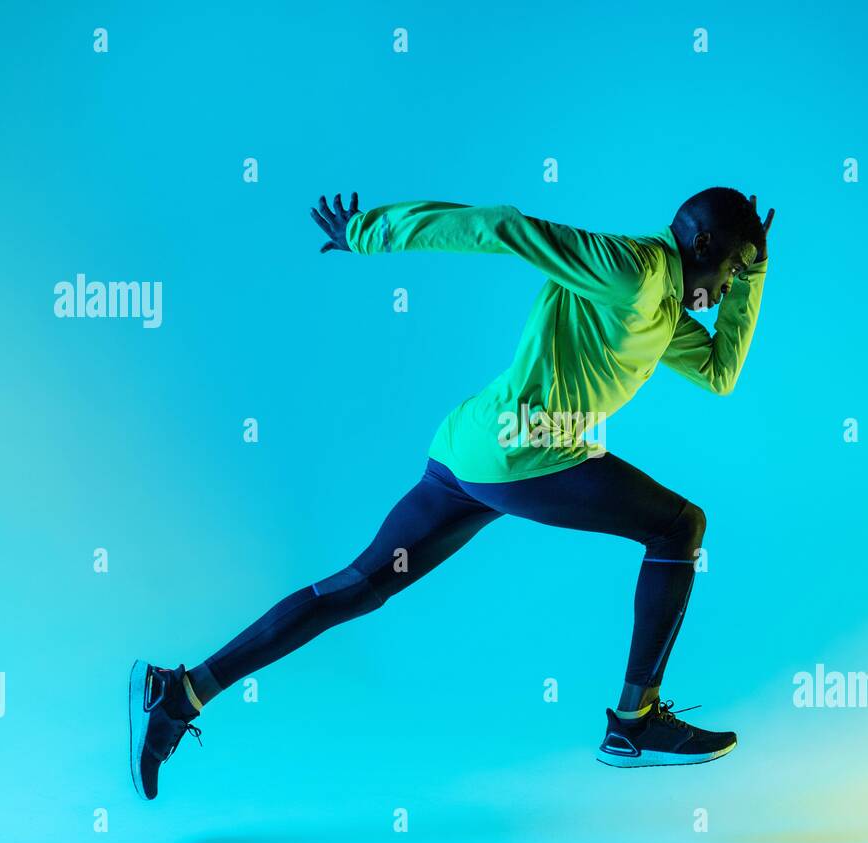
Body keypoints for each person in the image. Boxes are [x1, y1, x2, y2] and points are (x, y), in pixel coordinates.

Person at [130, 188, 774, 799]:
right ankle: (632, 725)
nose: (724, 294)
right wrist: (371, 231)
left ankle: (180, 692)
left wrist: (756, 277)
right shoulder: (632, 270)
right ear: (704, 243)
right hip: (524, 449)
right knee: (679, 526)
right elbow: (506, 228)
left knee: (356, 588)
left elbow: (720, 372)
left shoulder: (665, 312)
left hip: (472, 451)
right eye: (731, 272)